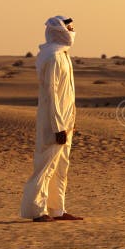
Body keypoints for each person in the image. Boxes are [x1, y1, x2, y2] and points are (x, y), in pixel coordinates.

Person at [20, 16, 83, 222]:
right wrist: (58, 127)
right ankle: (37, 211)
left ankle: (57, 209)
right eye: (69, 28)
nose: (72, 31)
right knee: (45, 167)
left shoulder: (63, 55)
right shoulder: (53, 57)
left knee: (60, 167)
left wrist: (70, 120)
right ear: (59, 31)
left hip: (65, 121)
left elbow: (66, 93)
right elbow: (52, 94)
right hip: (53, 122)